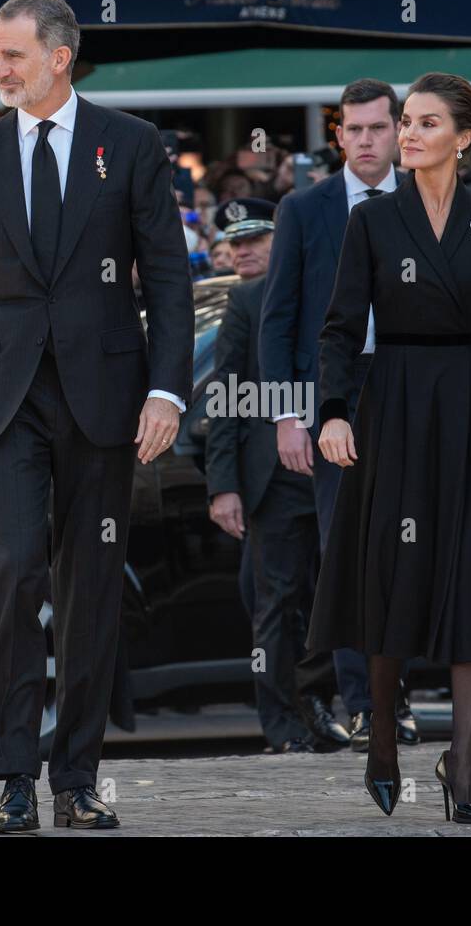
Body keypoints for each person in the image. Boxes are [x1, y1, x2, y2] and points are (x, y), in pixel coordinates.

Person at [0, 0, 193, 833]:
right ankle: (12, 775)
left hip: (105, 398)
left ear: (59, 58)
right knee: (11, 576)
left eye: (11, 55)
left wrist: (167, 388)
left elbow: (170, 281)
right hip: (5, 399)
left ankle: (76, 776)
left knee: (91, 588)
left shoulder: (134, 143)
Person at [308, 72, 471, 822]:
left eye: (426, 123)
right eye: (404, 121)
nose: (407, 134)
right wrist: (335, 412)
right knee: (393, 574)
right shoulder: (372, 221)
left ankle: (463, 768)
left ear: (465, 138)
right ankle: (382, 736)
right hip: (396, 405)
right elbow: (341, 328)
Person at [260, 78, 417, 755]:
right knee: (347, 552)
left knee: (414, 551)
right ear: (339, 135)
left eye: (376, 128)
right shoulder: (304, 208)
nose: (363, 141)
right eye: (351, 130)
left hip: (415, 394)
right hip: (334, 398)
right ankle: (367, 701)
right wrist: (287, 414)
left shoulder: (426, 202)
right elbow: (278, 319)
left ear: (399, 130)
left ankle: (401, 689)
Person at [205, 198, 318, 754]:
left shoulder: (333, 284)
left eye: (257, 240)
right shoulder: (245, 298)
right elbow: (223, 394)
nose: (244, 250)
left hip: (336, 464)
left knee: (343, 595)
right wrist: (224, 484)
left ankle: (350, 709)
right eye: (237, 242)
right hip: (273, 479)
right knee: (276, 604)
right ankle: (284, 725)